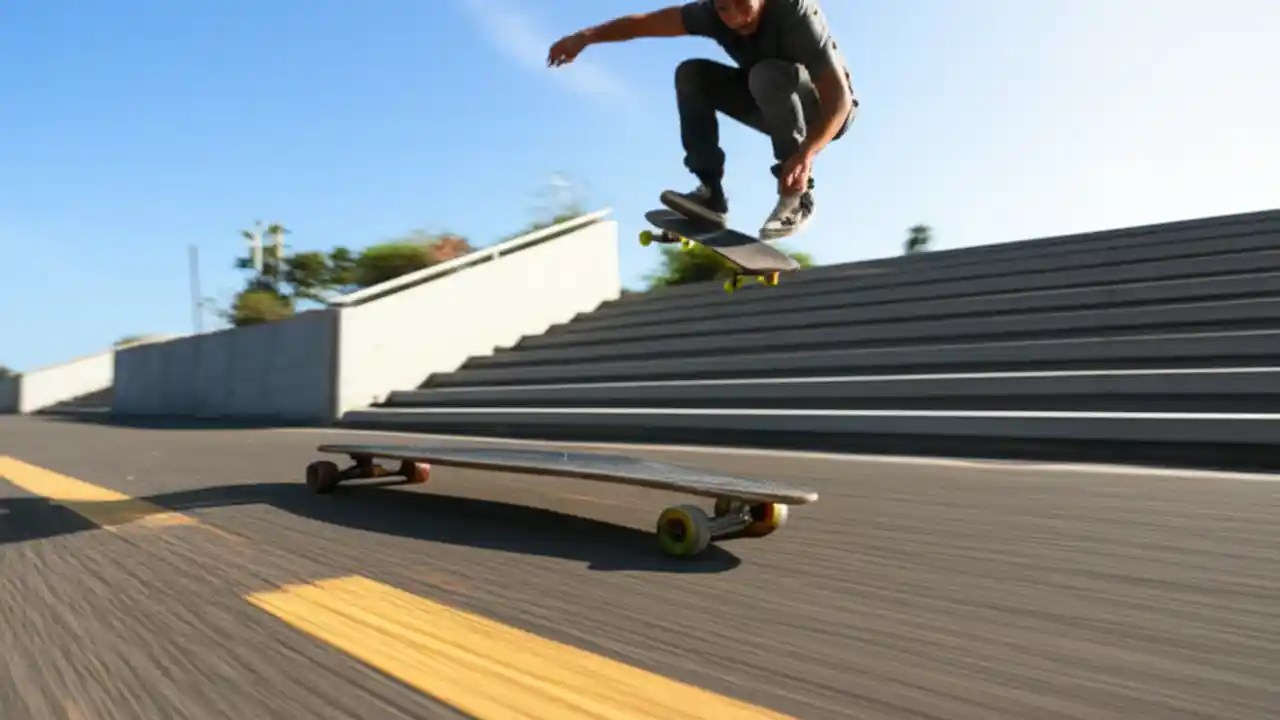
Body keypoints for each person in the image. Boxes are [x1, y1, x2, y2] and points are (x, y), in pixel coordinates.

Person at [548, 0, 857, 240]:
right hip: (769, 102)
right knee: (692, 74)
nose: (737, 18)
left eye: (743, 4)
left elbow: (839, 99)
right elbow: (644, 24)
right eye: (724, 8)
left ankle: (796, 197)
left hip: (825, 113)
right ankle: (711, 195)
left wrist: (806, 154)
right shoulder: (708, 14)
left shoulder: (793, 12)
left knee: (766, 73)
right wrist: (585, 37)